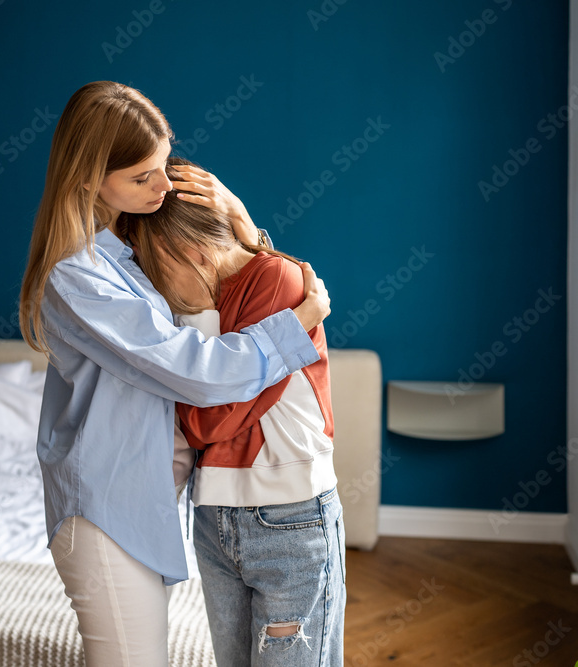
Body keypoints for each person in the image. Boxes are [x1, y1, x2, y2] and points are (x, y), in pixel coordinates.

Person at [18, 82, 331, 667]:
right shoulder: (78, 277)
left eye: (163, 166)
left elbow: (227, 294)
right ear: (88, 178)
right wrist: (303, 322)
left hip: (142, 504)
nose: (163, 187)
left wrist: (244, 223)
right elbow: (198, 369)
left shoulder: (127, 256)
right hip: (106, 511)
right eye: (142, 177)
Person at [118, 158, 345, 667]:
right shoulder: (211, 304)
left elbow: (207, 420)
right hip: (215, 520)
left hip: (290, 518)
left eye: (157, 270)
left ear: (192, 250)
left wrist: (199, 309)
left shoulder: (281, 279)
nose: (155, 290)